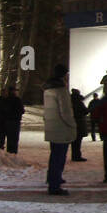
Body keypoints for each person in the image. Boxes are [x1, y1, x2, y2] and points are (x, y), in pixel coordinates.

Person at [43, 64, 76, 195]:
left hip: (52, 127)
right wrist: (73, 125)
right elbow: (65, 112)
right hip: (61, 128)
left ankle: (53, 179)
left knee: (54, 156)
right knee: (59, 157)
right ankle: (54, 185)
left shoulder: (48, 90)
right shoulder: (61, 91)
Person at [0, 85, 23, 153]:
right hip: (13, 122)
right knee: (12, 139)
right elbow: (21, 110)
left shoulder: (4, 100)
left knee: (4, 139)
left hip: (6, 122)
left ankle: (4, 152)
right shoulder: (16, 100)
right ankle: (11, 153)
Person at [69, 88, 89, 161]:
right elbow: (86, 111)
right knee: (78, 142)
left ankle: (74, 155)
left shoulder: (69, 102)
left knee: (74, 142)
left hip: (72, 123)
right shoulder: (79, 102)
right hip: (79, 124)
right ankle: (77, 156)